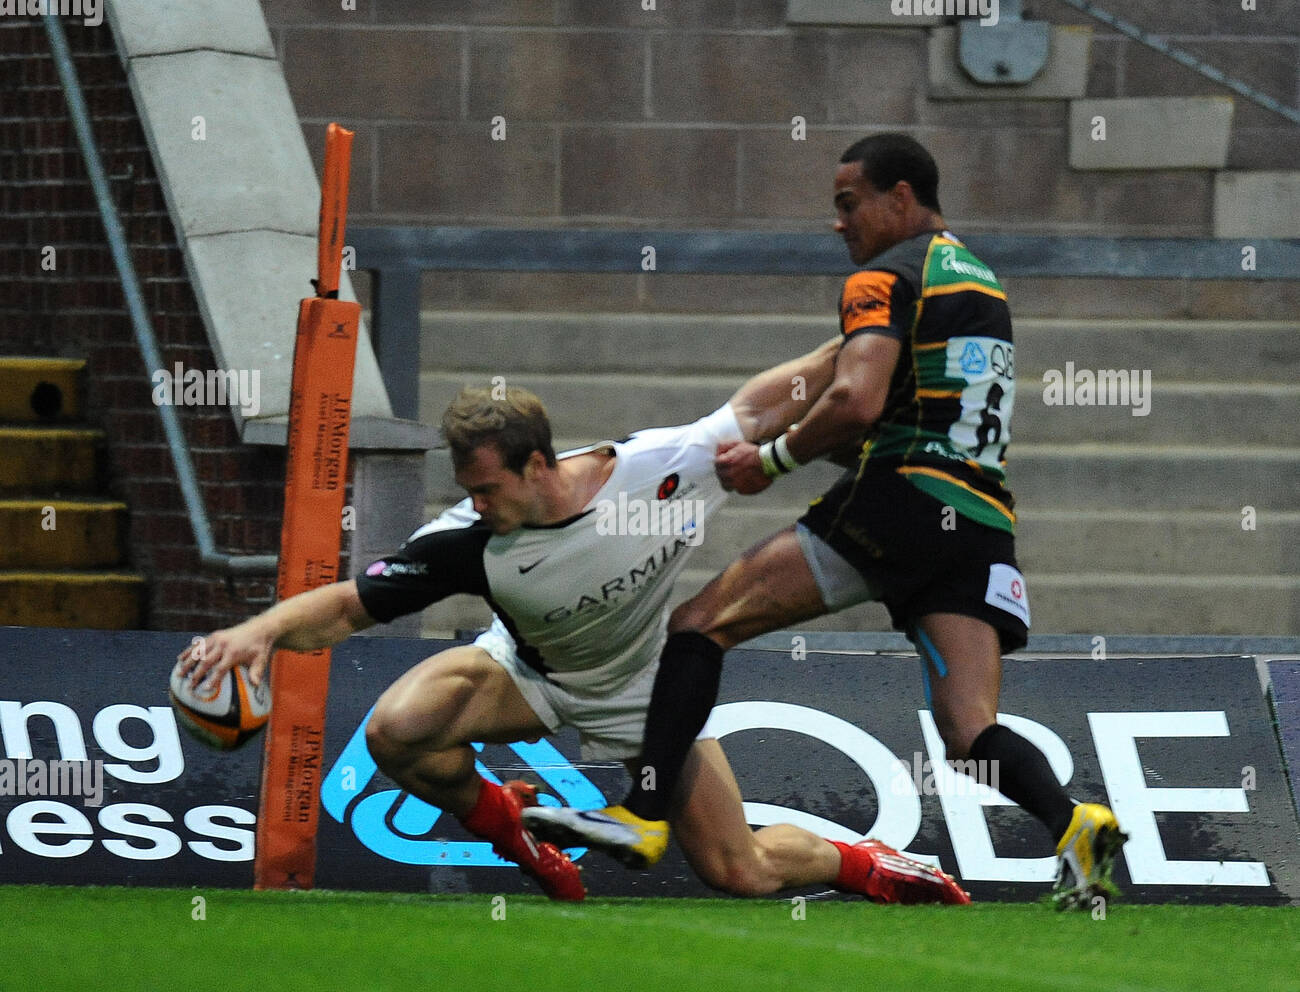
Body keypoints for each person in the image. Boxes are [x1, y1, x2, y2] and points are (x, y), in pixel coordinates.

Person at [522, 132, 1127, 911]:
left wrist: (771, 458)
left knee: (700, 626)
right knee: (970, 730)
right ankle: (1075, 820)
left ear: (899, 197)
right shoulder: (979, 278)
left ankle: (641, 813)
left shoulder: (886, 275)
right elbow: (924, 410)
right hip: (980, 523)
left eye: (849, 205)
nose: (839, 225)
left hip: (904, 500)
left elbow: (857, 398)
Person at [177, 337, 969, 905]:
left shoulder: (661, 470)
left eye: (488, 488)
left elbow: (773, 399)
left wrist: (872, 336)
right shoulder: (468, 542)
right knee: (397, 729)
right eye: (469, 490)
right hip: (529, 677)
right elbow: (348, 606)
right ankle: (509, 826)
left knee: (743, 871)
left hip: (649, 688)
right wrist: (260, 634)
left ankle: (863, 863)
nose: (477, 505)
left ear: (537, 464)